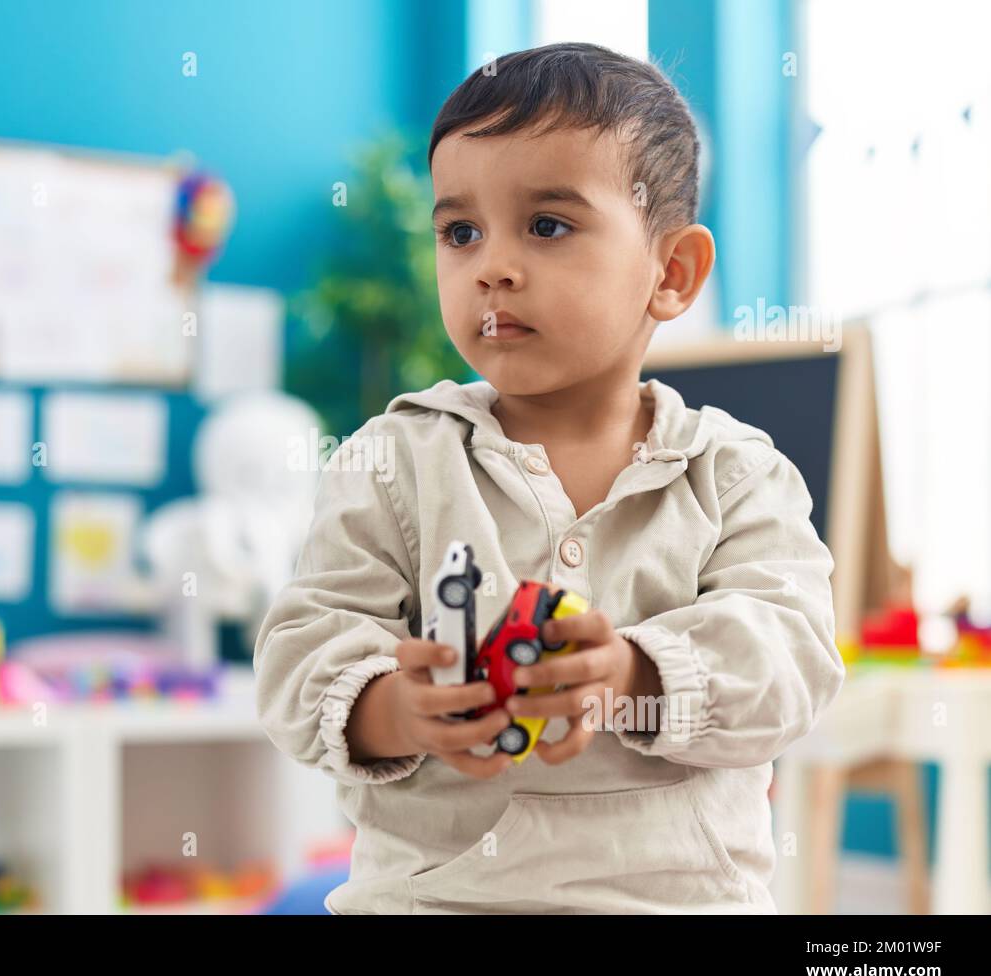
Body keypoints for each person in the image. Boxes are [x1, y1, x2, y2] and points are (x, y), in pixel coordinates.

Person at [254, 42, 844, 914]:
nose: (492, 264)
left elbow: (794, 661)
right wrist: (394, 707)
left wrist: (635, 673)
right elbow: (300, 652)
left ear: (671, 273)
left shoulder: (739, 473)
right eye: (460, 231)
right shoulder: (394, 458)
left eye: (548, 225)